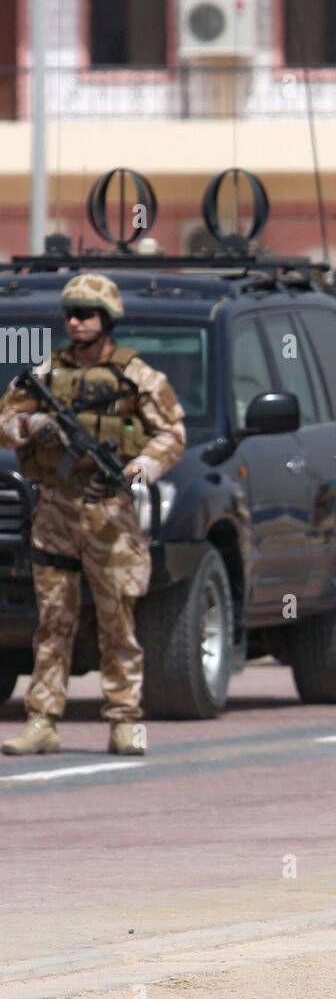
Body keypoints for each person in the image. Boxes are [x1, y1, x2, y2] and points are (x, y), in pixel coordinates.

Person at [0, 274, 186, 757]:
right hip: (56, 509)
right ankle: (42, 719)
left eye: (86, 313)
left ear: (107, 320)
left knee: (117, 620)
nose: (75, 321)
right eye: (70, 313)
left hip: (109, 512)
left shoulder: (137, 376)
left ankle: (126, 721)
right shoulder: (44, 374)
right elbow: (5, 423)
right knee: (53, 620)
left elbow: (172, 433)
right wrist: (29, 424)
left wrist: (141, 469)